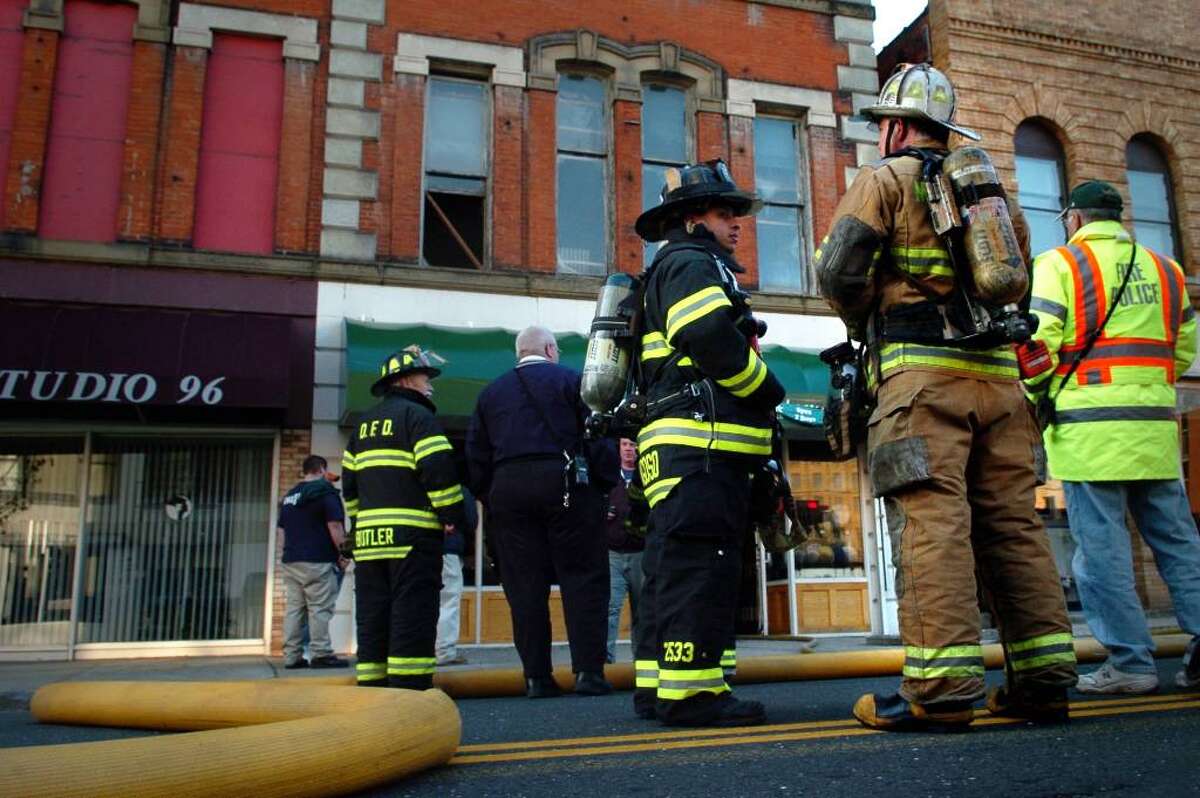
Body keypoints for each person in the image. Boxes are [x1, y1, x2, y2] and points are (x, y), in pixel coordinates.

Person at [814, 63, 1077, 730]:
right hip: (1000, 387)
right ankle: (1044, 681)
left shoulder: (883, 181)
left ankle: (939, 690)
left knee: (932, 526)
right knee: (1013, 527)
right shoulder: (994, 200)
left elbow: (838, 269)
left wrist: (866, 314)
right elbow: (1015, 283)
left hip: (920, 389)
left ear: (896, 128)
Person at [1025, 180, 1200, 693]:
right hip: (1153, 431)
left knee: (1102, 551)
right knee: (1178, 544)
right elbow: (1183, 346)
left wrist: (1039, 391)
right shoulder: (1167, 271)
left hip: (1089, 433)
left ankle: (1130, 663)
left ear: (1076, 219)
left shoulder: (1060, 264)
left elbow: (1038, 344)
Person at [632, 159, 785, 727]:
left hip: (678, 449)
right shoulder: (694, 263)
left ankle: (661, 685)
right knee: (701, 567)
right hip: (701, 449)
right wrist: (765, 388)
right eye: (726, 213)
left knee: (672, 567)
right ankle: (694, 695)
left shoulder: (669, 268)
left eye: (738, 214)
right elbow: (707, 337)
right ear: (693, 218)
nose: (737, 224)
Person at [466, 326, 616, 698]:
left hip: (509, 490)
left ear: (519, 353)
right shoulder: (573, 382)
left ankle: (536, 678)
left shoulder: (490, 394)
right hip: (566, 487)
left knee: (524, 585)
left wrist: (491, 493)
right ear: (550, 349)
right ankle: (588, 673)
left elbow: (475, 457)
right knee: (583, 578)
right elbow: (598, 436)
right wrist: (602, 482)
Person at [342, 345, 470, 689]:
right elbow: (439, 474)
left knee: (373, 616)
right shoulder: (419, 419)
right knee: (411, 614)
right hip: (412, 541)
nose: (430, 385)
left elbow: (350, 488)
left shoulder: (362, 426)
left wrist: (359, 529)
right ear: (406, 379)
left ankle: (371, 685)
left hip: (369, 543)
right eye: (425, 377)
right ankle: (409, 691)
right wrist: (453, 516)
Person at [277, 454, 350, 669]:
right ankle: (321, 654)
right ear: (321, 469)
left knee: (294, 609)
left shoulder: (290, 495)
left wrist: (287, 554)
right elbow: (335, 526)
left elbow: (281, 530)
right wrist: (344, 553)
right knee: (319, 608)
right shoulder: (325, 492)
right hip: (317, 560)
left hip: (291, 560)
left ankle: (292, 656)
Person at [606, 438, 645, 664]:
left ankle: (643, 661)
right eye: (625, 445)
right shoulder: (609, 476)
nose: (629, 449)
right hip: (613, 554)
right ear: (618, 449)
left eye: (633, 445)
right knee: (610, 609)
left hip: (641, 552)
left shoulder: (646, 475)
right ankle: (605, 660)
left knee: (642, 611)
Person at [436, 483, 478, 667]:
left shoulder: (415, 482)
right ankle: (444, 652)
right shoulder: (459, 488)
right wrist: (469, 551)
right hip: (449, 551)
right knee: (448, 601)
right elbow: (471, 521)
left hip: (419, 552)